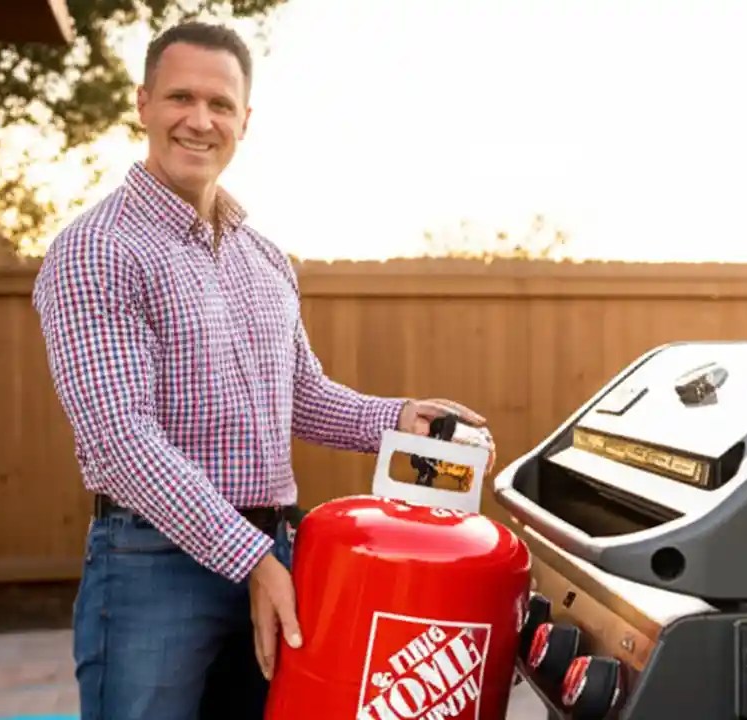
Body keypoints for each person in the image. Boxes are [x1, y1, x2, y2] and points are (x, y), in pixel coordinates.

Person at [32, 20, 495, 720]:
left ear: (244, 121)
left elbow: (302, 397)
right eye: (180, 98)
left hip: (275, 555)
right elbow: (120, 442)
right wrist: (249, 557)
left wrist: (398, 418)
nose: (199, 119)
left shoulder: (263, 257)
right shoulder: (98, 250)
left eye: (220, 105)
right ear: (143, 105)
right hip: (154, 566)